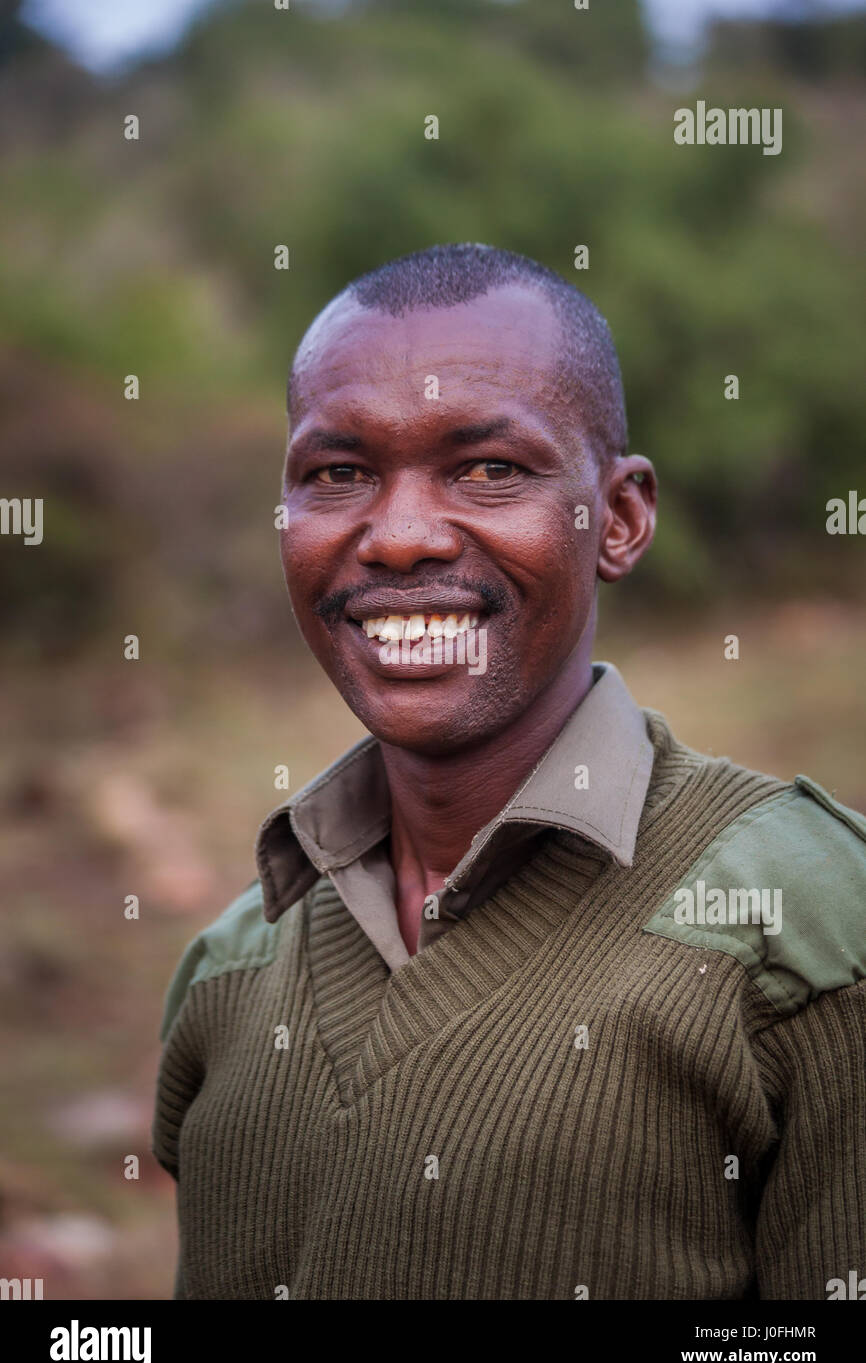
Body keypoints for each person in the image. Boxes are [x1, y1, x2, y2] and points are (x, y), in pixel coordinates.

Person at [152, 243, 866, 1300]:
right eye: (336, 473)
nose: (395, 538)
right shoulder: (229, 968)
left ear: (617, 519)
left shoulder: (806, 933)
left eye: (487, 468)